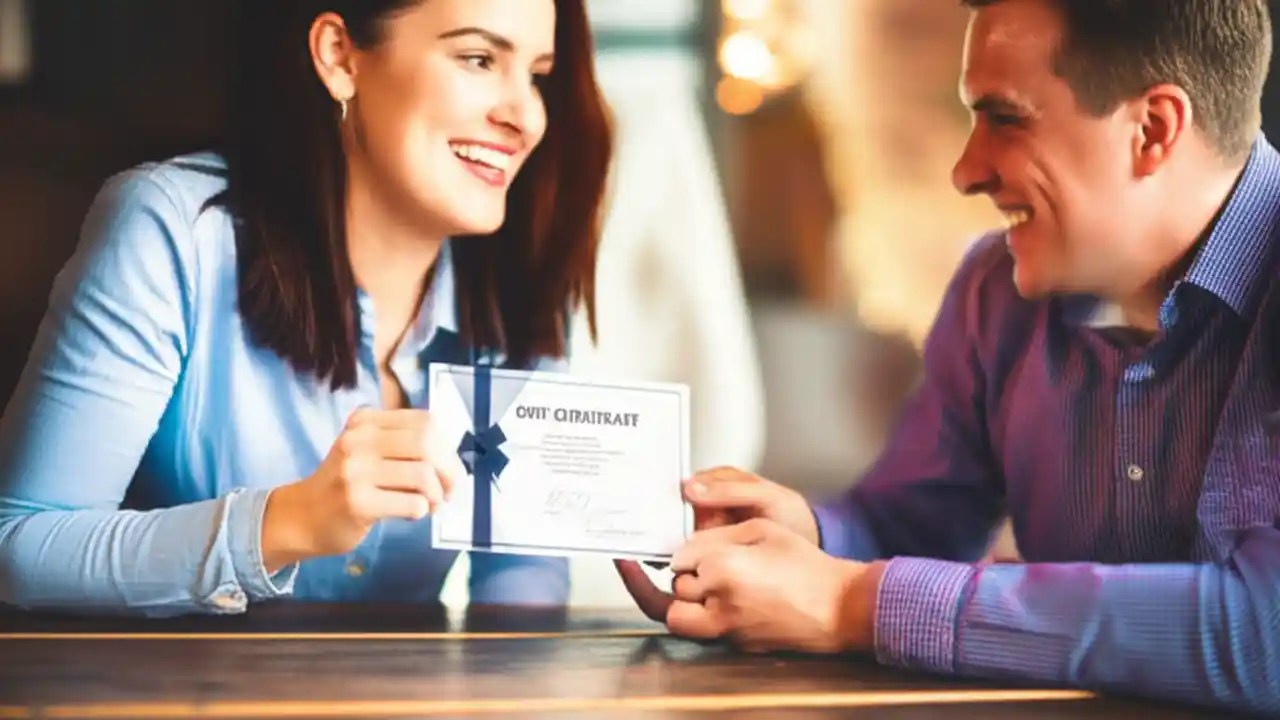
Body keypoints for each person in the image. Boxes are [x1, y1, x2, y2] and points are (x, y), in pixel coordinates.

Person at [620, 0, 1280, 713]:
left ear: (1151, 130)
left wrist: (853, 603)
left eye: (1006, 118)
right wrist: (803, 538)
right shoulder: (997, 293)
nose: (966, 171)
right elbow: (907, 530)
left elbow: (1264, 634)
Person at [0, 0, 611, 616]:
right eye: (478, 59)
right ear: (340, 56)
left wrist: (662, 596)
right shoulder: (175, 231)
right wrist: (285, 523)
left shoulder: (520, 284)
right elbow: (19, 550)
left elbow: (522, 578)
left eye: (537, 75)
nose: (525, 117)